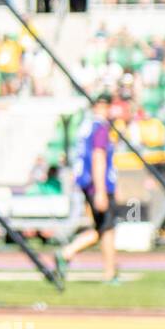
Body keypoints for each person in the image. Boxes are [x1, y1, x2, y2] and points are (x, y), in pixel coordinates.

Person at [50, 92, 120, 284]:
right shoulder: (100, 129)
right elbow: (98, 159)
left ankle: (70, 254)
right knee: (106, 228)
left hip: (89, 184)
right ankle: (108, 272)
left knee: (104, 228)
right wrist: (101, 191)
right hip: (98, 185)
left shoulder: (86, 128)